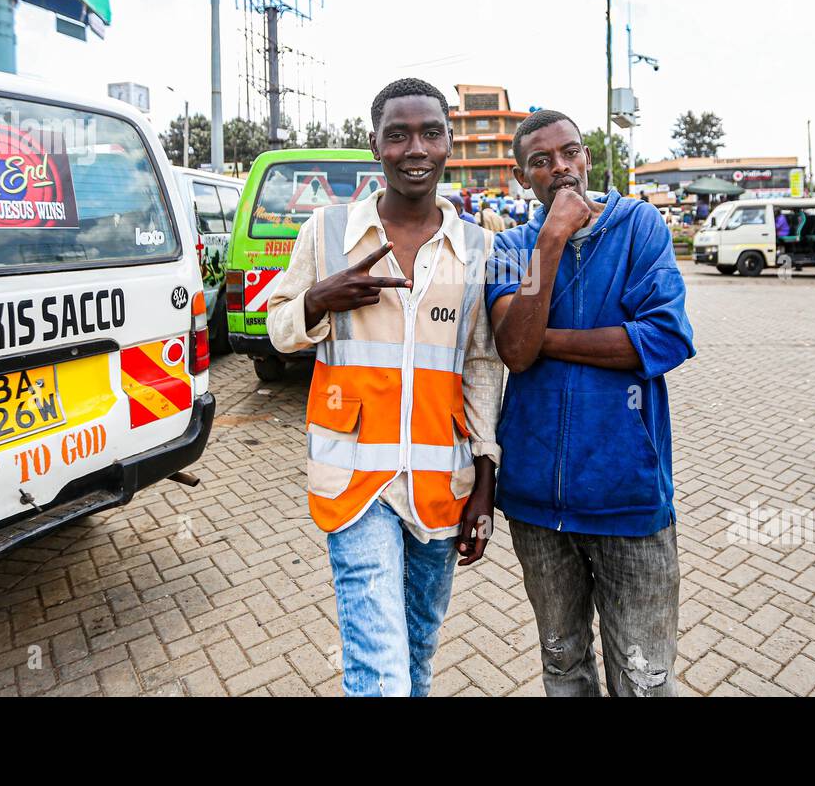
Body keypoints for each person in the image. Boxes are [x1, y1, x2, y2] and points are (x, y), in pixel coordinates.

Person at [265, 78, 502, 697]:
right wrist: (318, 299)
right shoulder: (327, 231)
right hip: (356, 483)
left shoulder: (478, 248)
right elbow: (278, 331)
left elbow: (480, 366)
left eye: (430, 133)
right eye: (397, 134)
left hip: (439, 484)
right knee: (381, 671)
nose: (414, 148)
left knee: (418, 653)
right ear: (375, 146)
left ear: (450, 144)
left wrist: (486, 478)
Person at [486, 109, 696, 697]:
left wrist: (539, 339)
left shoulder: (639, 228)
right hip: (536, 503)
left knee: (643, 677)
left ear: (587, 155)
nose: (561, 168)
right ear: (521, 175)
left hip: (627, 496)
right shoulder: (510, 246)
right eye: (541, 161)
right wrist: (551, 239)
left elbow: (663, 337)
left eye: (570, 153)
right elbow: (514, 354)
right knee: (563, 665)